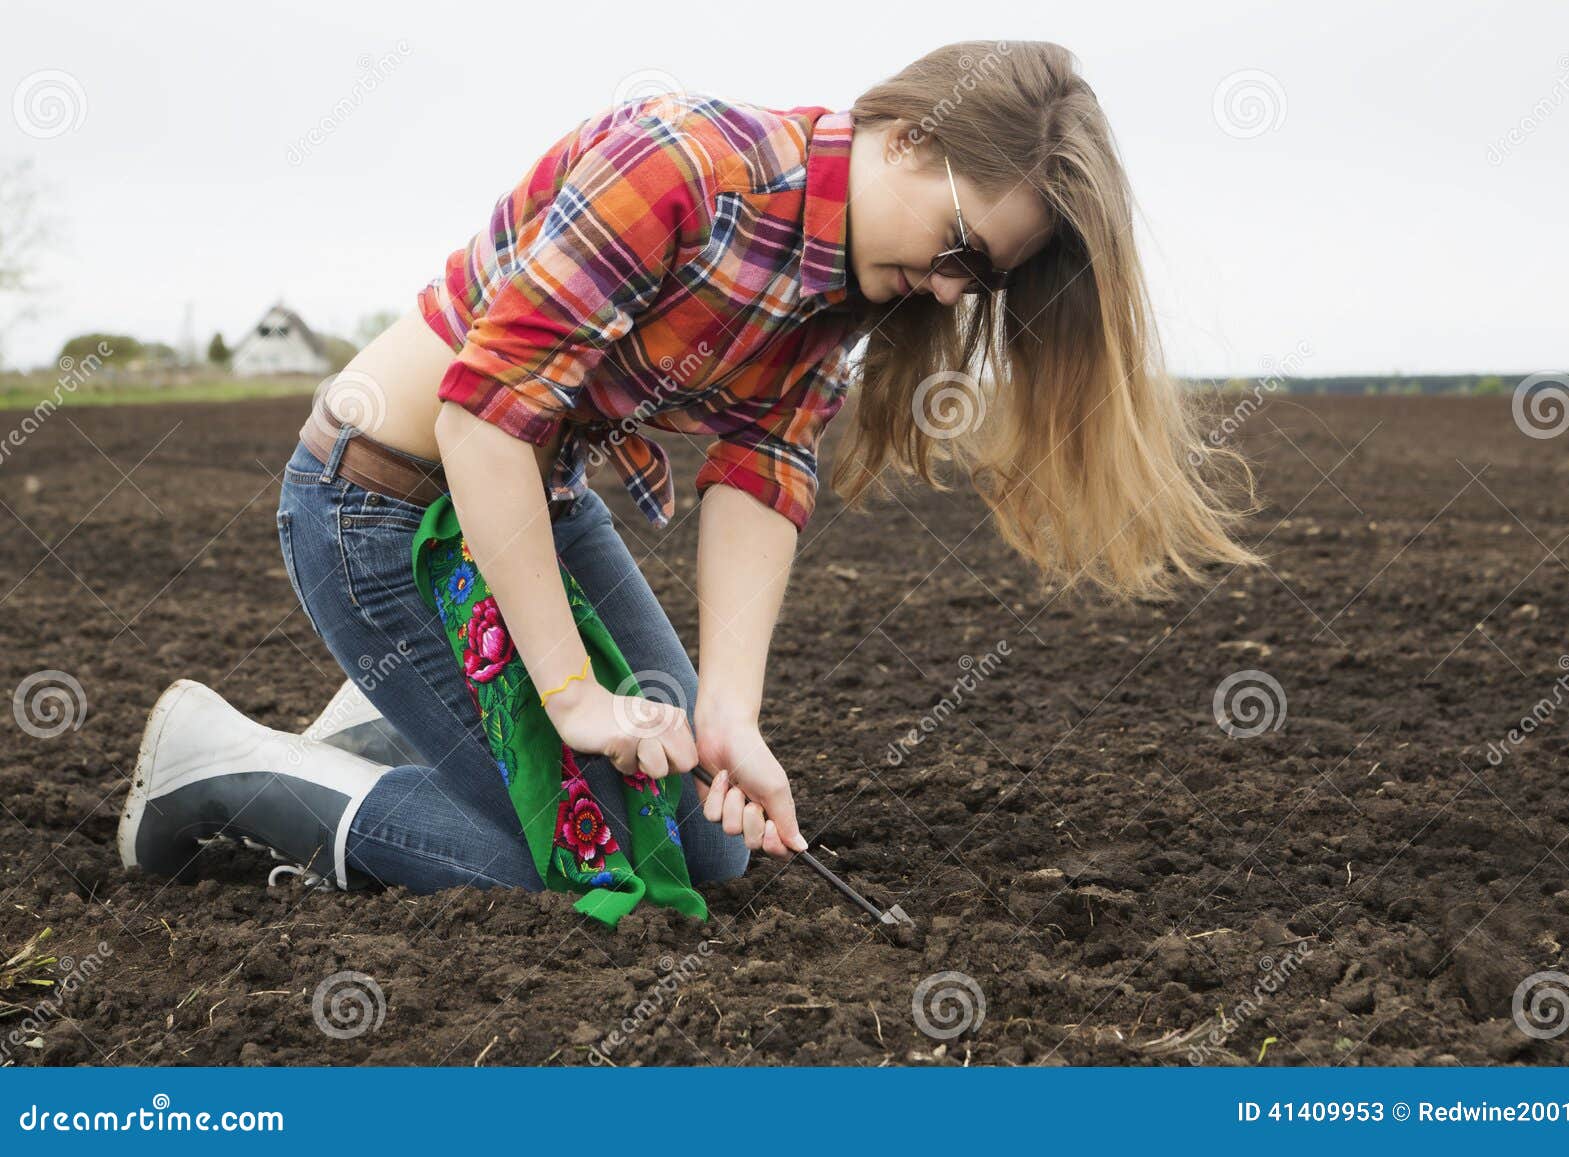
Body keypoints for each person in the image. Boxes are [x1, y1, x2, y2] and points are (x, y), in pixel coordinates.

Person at [118, 40, 1260, 900]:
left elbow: (761, 472)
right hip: (380, 507)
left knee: (707, 855)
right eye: (962, 249)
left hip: (531, 509)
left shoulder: (847, 286)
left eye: (986, 281)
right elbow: (482, 421)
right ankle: (219, 767)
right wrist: (570, 696)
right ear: (910, 137)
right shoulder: (684, 166)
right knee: (602, 871)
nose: (957, 290)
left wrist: (728, 716)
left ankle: (402, 709)